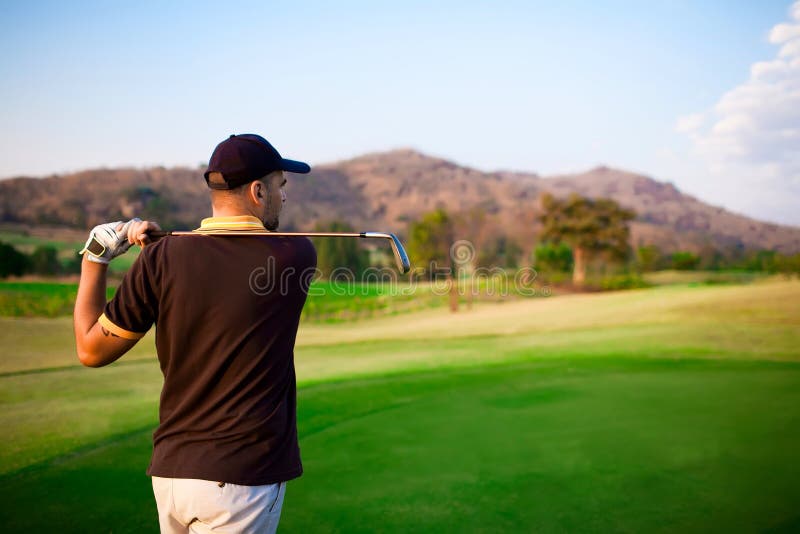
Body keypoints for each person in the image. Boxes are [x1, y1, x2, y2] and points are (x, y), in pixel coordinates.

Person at [73, 134, 317, 533]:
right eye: (280, 187)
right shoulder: (295, 254)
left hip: (172, 476)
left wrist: (97, 257)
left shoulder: (160, 256)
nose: (284, 198)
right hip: (242, 478)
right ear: (258, 191)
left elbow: (90, 349)